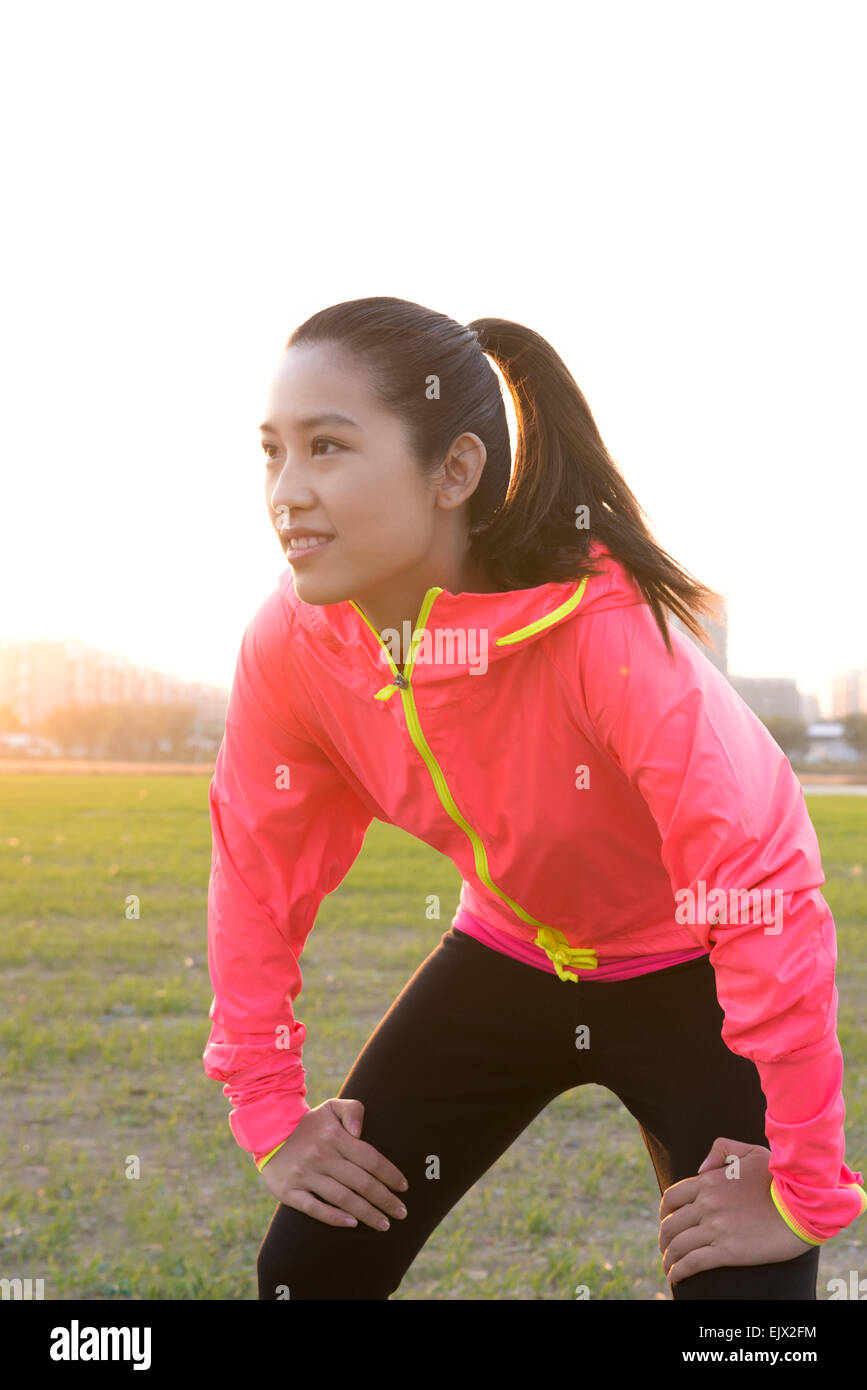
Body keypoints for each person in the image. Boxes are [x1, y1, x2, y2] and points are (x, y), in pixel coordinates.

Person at [203, 296, 866, 1301]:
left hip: (699, 970)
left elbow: (759, 886)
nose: (286, 492)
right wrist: (268, 1109)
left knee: (746, 1310)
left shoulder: (602, 633)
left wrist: (805, 1187)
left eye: (327, 447)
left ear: (455, 472)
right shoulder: (295, 645)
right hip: (510, 953)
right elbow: (257, 868)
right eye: (271, 451)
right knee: (308, 1268)